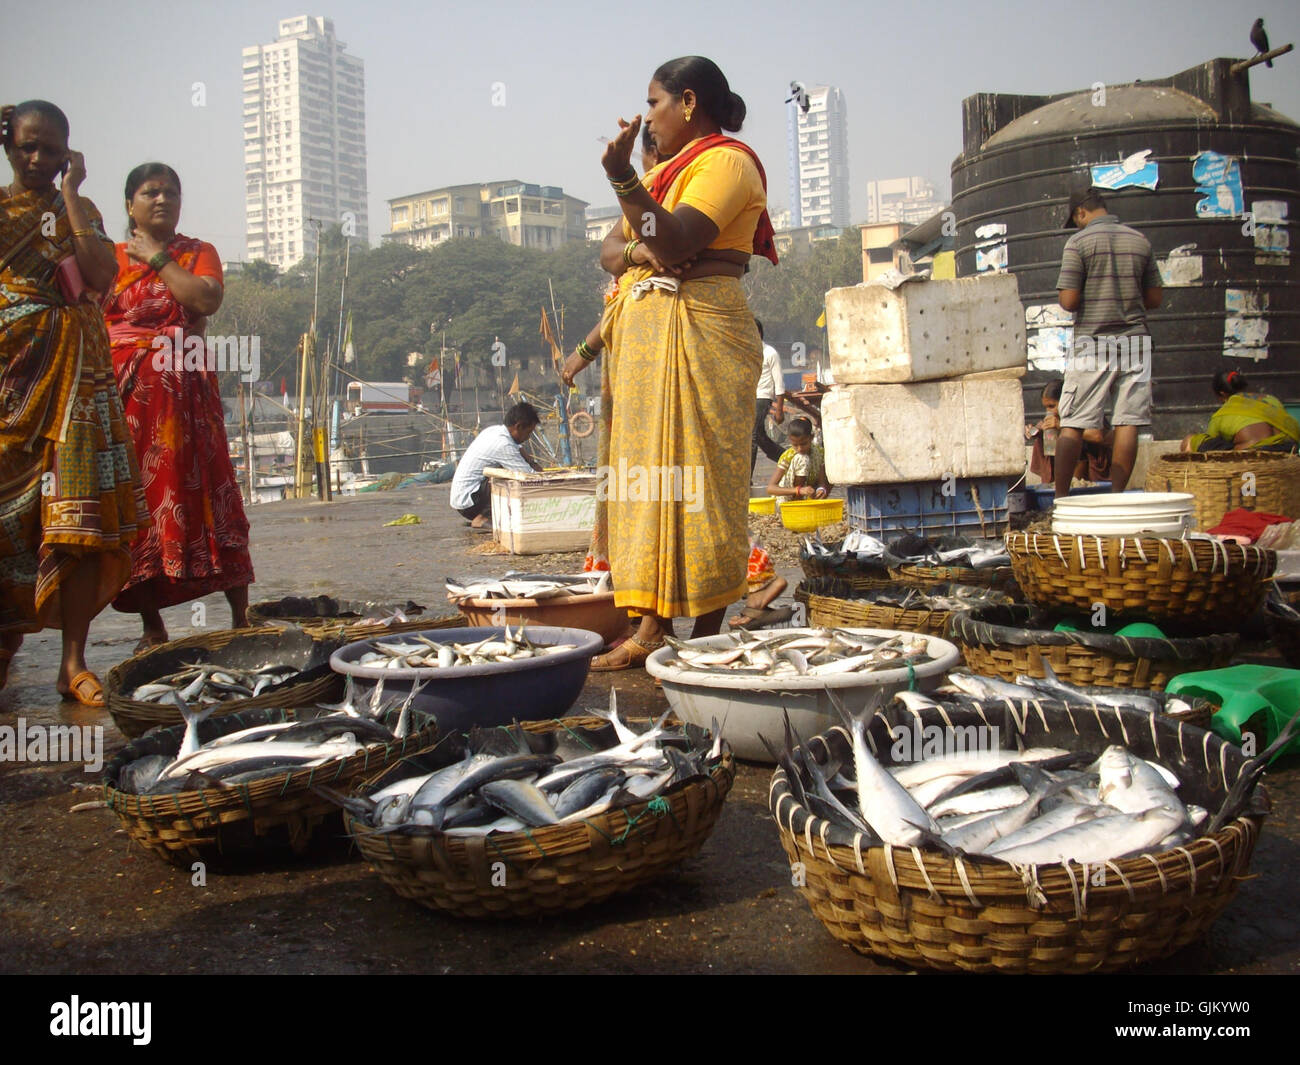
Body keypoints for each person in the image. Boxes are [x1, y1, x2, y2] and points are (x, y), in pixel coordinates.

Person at [586, 55, 778, 670]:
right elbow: (611, 248)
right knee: (648, 482)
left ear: (688, 102)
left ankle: (708, 629)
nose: (647, 117)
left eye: (654, 103)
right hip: (647, 343)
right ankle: (651, 627)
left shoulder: (727, 163)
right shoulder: (666, 173)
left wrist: (624, 181)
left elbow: (673, 239)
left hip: (703, 328)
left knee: (702, 480)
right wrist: (642, 248)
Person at [0, 101, 149, 704]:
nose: (38, 158)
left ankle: (73, 662)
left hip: (78, 385)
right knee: (9, 522)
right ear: (9, 147)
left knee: (80, 521)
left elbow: (101, 275)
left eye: (51, 149)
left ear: (68, 153)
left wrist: (70, 195)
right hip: (12, 381)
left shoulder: (79, 211)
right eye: (26, 147)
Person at [102, 163, 254, 652]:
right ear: (130, 205)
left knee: (213, 490)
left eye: (171, 192)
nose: (162, 199)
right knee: (141, 504)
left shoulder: (197, 252)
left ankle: (242, 615)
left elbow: (204, 299)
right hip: (132, 400)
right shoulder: (109, 259)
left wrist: (158, 257)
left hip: (189, 399)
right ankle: (152, 625)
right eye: (151, 192)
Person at [1053, 185, 1162, 498]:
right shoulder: (1139, 241)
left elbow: (1069, 301)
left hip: (1093, 343)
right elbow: (1154, 298)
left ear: (1080, 213)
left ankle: (1060, 499)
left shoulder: (1078, 243)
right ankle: (1117, 497)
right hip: (1135, 343)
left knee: (1073, 422)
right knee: (1127, 422)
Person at [449, 402, 542, 528]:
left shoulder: (494, 431)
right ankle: (483, 518)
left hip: (463, 498)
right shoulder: (503, 444)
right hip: (470, 502)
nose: (528, 437)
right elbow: (529, 477)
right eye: (528, 432)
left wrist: (532, 462)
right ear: (518, 426)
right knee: (515, 480)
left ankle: (488, 516)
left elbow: (519, 448)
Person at [1182, 369, 1300, 452]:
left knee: (1190, 441)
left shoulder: (1224, 412)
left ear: (1222, 394)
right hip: (1288, 448)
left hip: (1254, 454)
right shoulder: (1271, 399)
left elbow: (1211, 442)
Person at [1027, 378, 1113, 484]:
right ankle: (1059, 483)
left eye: (1052, 406)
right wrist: (1038, 431)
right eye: (1046, 407)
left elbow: (1097, 436)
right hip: (1071, 459)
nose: (1049, 411)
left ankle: (1073, 484)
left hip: (1095, 462)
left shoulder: (1085, 410)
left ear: (1065, 401)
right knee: (1043, 440)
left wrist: (1061, 426)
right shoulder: (1056, 416)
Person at [751, 319, 785, 476]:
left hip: (762, 397)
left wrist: (779, 409)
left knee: (752, 435)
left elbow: (779, 383)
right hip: (749, 398)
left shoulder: (770, 353)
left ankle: (747, 478)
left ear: (759, 333)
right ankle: (786, 459)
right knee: (759, 436)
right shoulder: (745, 352)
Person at [767, 418, 830, 499]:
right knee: (802, 458)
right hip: (786, 500)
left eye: (803, 444)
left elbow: (821, 482)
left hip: (806, 495)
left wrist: (821, 489)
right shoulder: (788, 456)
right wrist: (798, 490)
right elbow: (770, 488)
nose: (800, 449)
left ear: (811, 437)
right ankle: (797, 500)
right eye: (795, 445)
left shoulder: (819, 453)